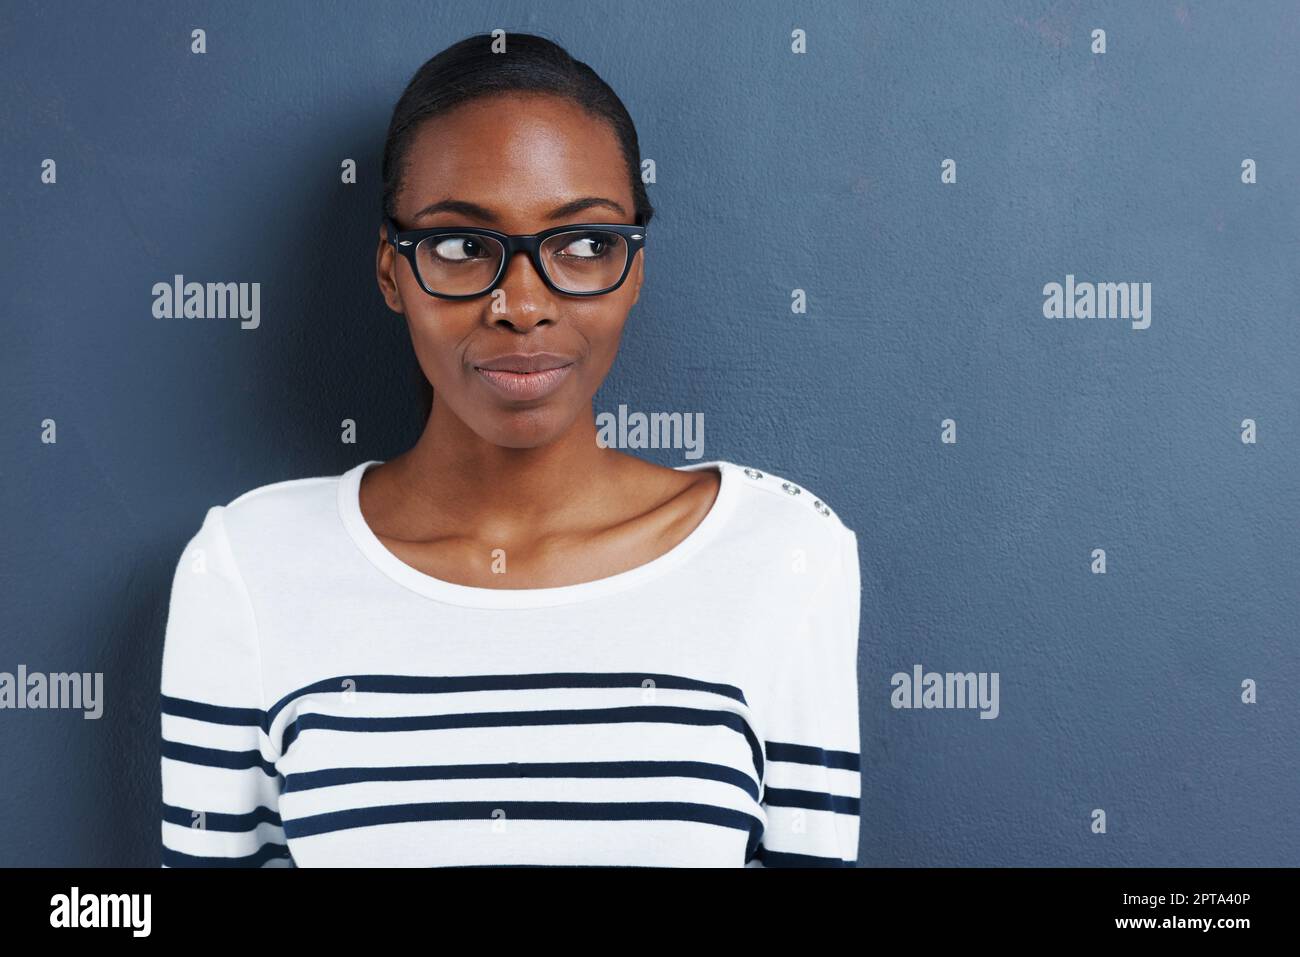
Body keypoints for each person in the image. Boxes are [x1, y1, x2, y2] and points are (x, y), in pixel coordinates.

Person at [159, 31, 862, 867]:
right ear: (391, 270)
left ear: (635, 268)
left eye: (584, 244)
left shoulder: (782, 554)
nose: (521, 304)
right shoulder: (247, 568)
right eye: (461, 247)